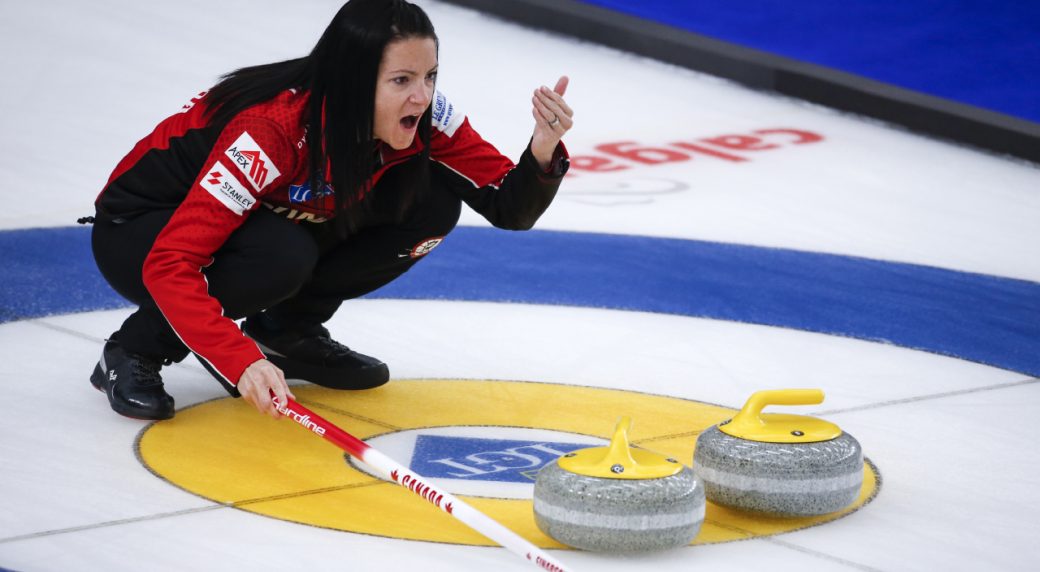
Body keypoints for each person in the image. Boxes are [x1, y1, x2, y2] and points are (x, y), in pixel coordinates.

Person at [85, 0, 572, 421]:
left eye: (429, 76)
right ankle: (134, 348)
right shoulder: (271, 130)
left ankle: (284, 331)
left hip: (267, 220)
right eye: (402, 79)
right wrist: (238, 360)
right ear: (352, 83)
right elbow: (171, 263)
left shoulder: (425, 117)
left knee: (431, 204)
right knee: (280, 254)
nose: (422, 96)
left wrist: (543, 150)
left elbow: (509, 205)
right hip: (142, 229)